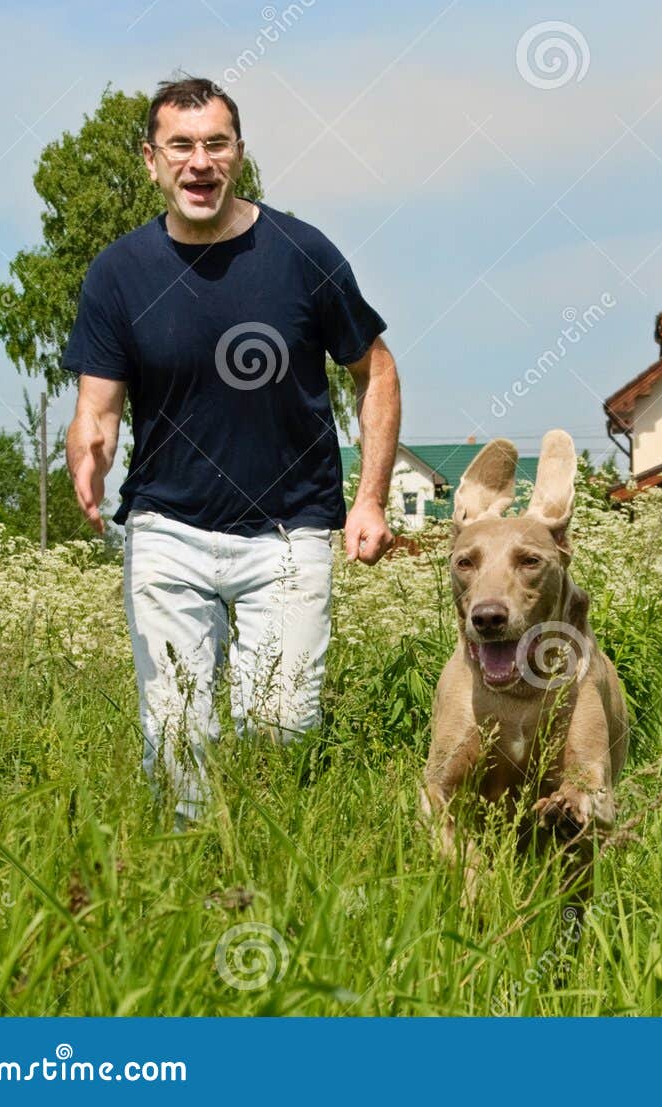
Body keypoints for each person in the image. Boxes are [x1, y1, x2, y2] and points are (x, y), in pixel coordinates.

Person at [62, 76, 400, 825]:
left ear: (239, 154)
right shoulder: (118, 274)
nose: (199, 161)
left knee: (279, 730)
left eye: (216, 144)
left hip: (289, 530)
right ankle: (188, 876)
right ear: (151, 160)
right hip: (166, 529)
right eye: (180, 145)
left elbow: (374, 369)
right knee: (177, 738)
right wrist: (89, 452)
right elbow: (97, 408)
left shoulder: (301, 252)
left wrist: (371, 498)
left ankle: (269, 872)